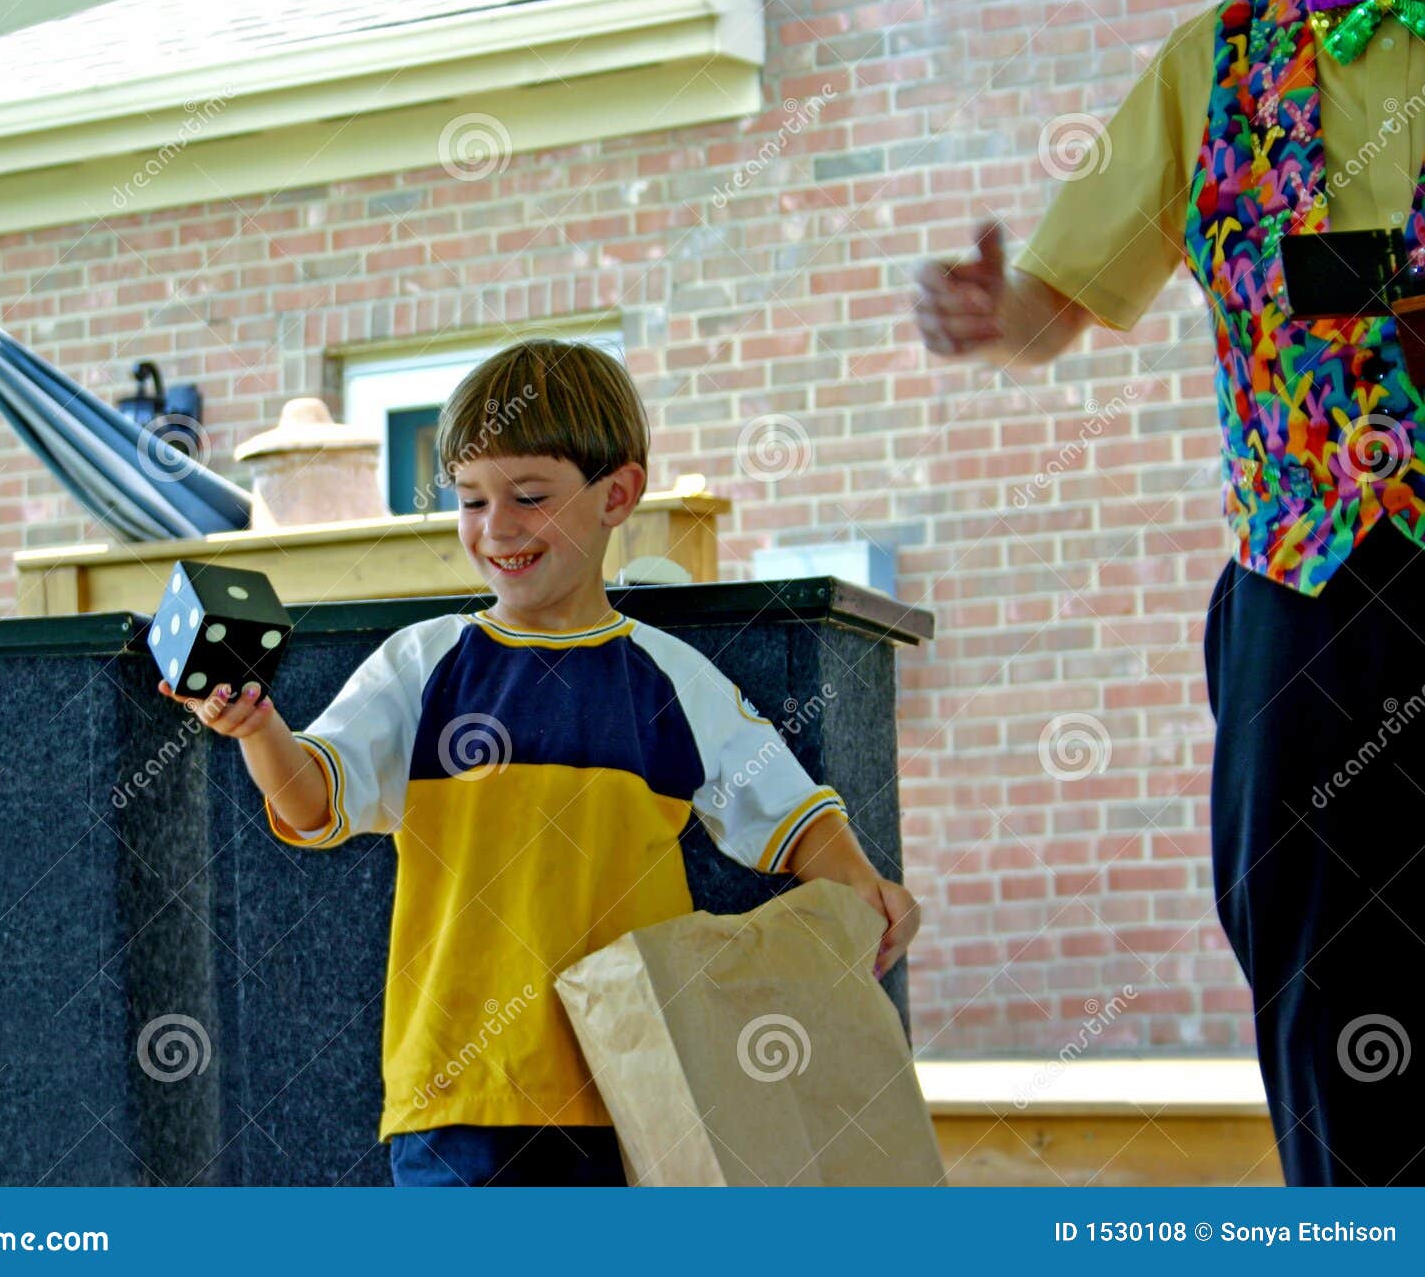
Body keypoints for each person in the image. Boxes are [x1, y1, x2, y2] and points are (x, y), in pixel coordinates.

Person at [159, 339, 920, 1187]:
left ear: (618, 494)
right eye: (472, 499)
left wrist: (859, 880)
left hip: (647, 1089)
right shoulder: (421, 665)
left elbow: (790, 812)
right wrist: (259, 731)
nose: (498, 528)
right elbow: (312, 805)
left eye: (529, 496)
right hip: (461, 1098)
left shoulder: (670, 679)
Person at [916, 0, 1425, 1186]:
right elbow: (1060, 302)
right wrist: (996, 315)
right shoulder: (1214, 60)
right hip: (1301, 592)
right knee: (1320, 976)